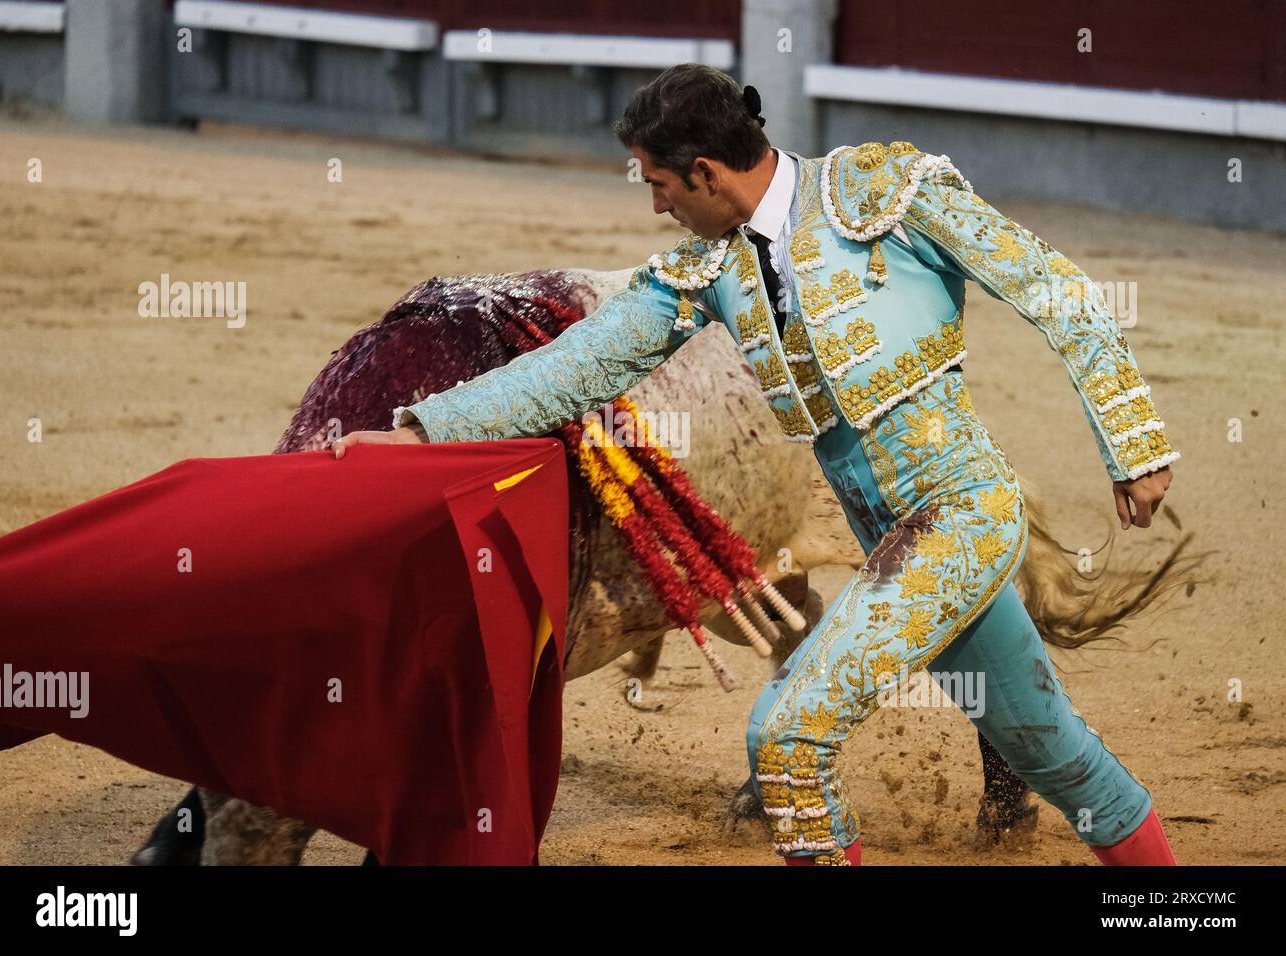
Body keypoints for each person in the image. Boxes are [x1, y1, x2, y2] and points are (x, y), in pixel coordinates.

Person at [334, 64, 1179, 866]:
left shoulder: (880, 190)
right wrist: (424, 433)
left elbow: (1056, 289)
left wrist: (1133, 442)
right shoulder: (706, 267)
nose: (655, 208)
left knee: (786, 737)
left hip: (959, 511)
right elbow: (577, 366)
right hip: (889, 535)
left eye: (657, 185)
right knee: (1051, 749)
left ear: (703, 171)